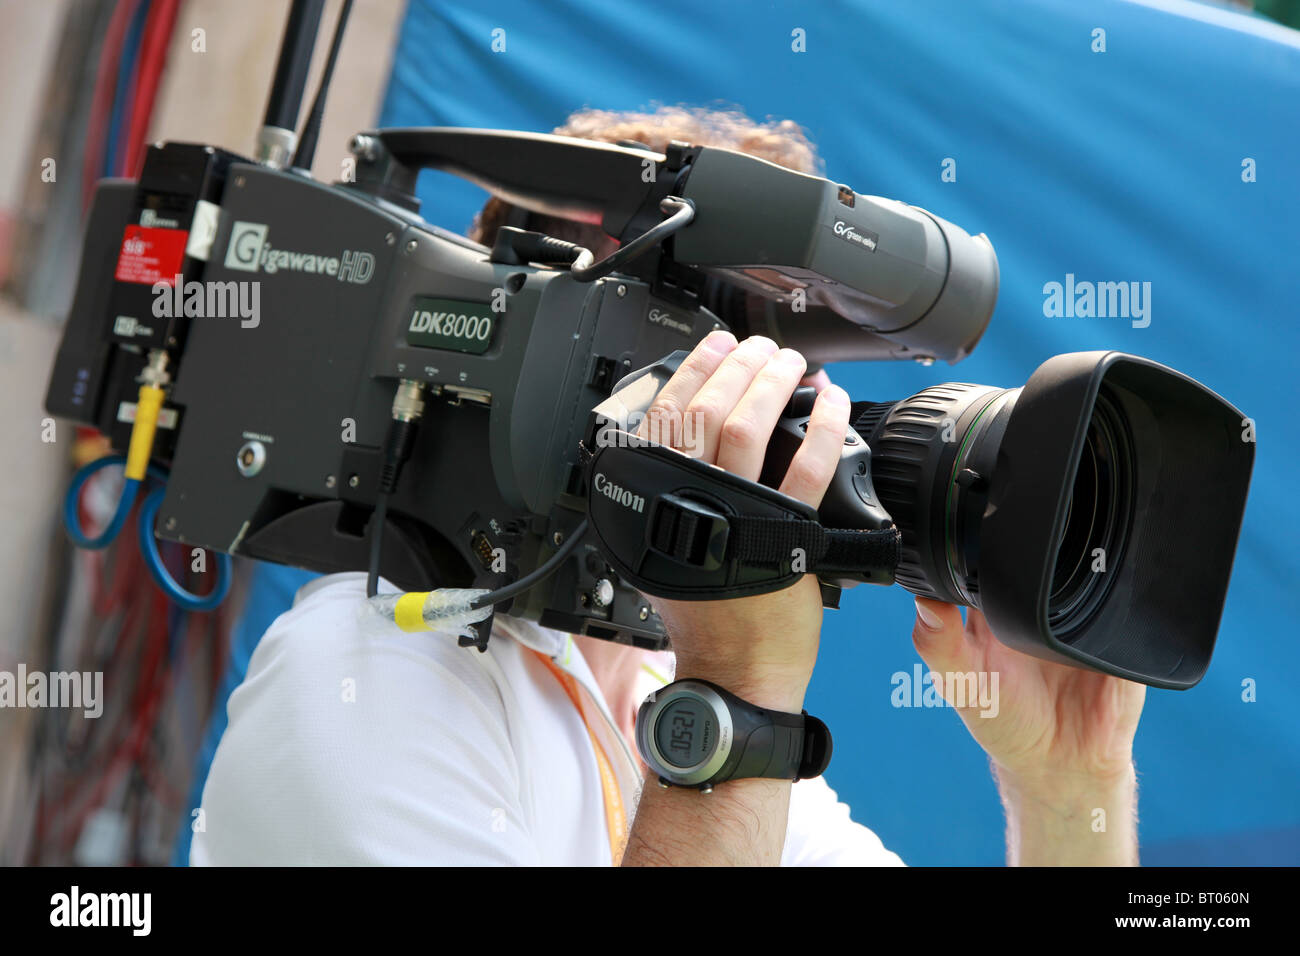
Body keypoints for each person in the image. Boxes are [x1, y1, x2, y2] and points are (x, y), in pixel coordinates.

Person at [191, 108, 1144, 866]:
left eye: (782, 378)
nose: (766, 424)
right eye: (702, 366)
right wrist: (739, 701)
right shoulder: (361, 677)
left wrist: (1069, 791)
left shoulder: (651, 693)